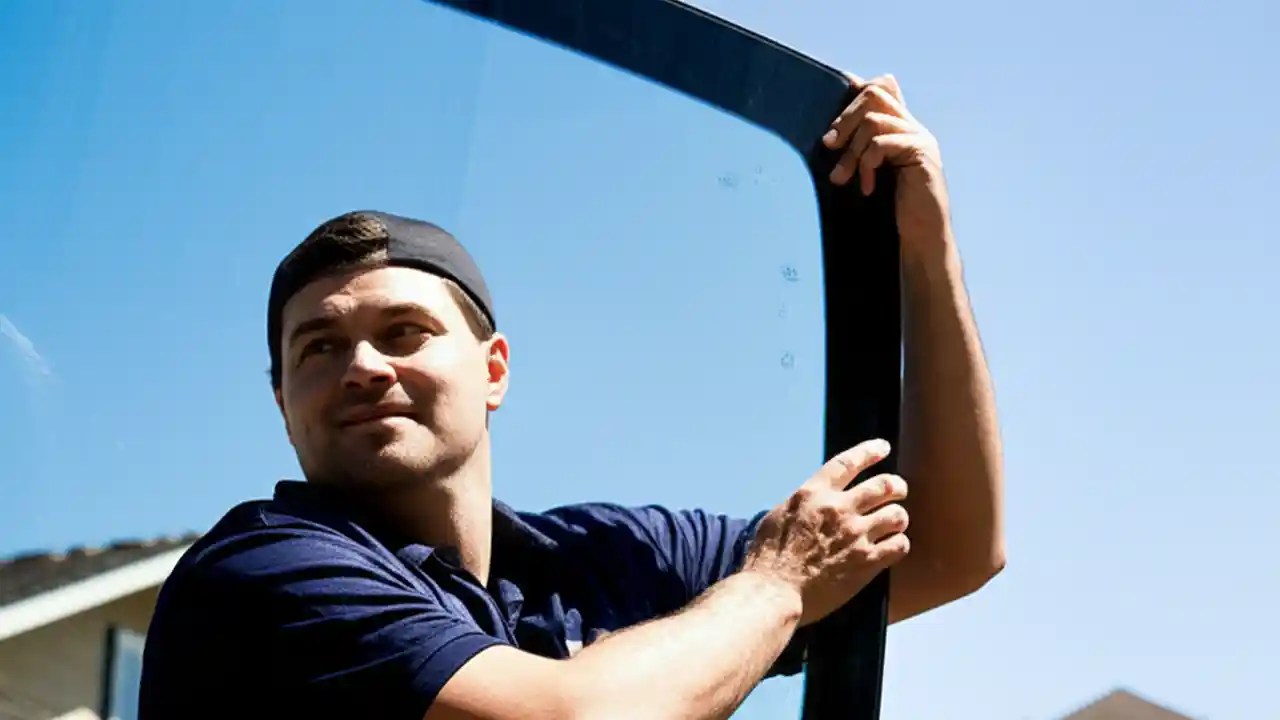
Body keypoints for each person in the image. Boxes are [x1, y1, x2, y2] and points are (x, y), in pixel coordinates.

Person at [137, 73, 1004, 720]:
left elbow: (946, 551)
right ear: (284, 402)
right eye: (319, 348)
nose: (362, 365)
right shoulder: (262, 572)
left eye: (404, 333)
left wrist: (927, 255)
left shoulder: (607, 559)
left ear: (494, 369)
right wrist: (776, 585)